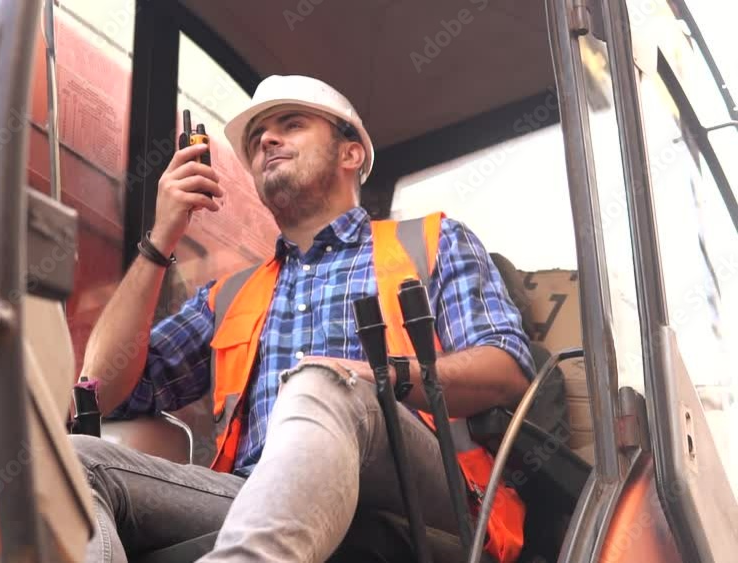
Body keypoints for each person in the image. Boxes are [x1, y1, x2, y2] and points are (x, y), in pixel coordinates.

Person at [73, 74, 535, 563]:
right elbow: (99, 390)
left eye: (290, 125)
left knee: (323, 380)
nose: (267, 141)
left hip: (420, 493)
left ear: (350, 154)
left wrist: (376, 379)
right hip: (256, 496)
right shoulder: (229, 296)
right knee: (74, 463)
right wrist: (160, 238)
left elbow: (505, 370)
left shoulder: (432, 242)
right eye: (256, 141)